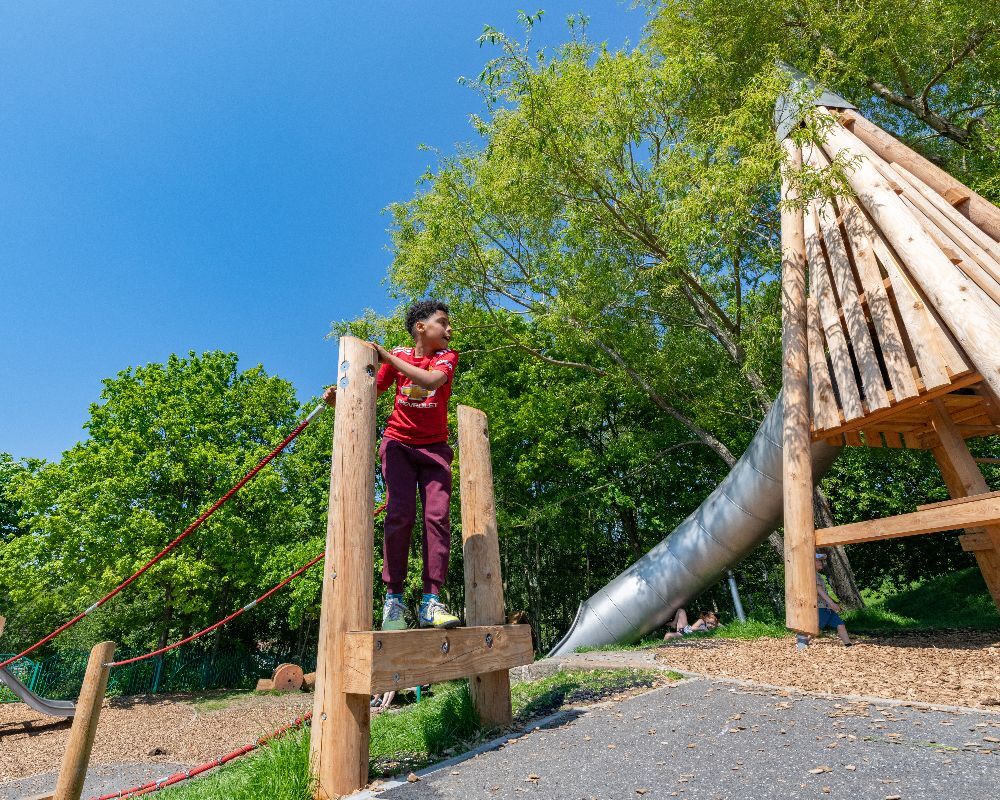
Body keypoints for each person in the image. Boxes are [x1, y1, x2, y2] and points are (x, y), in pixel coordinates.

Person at [324, 299, 460, 631]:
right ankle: (394, 600)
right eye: (443, 323)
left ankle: (431, 600)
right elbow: (372, 389)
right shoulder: (399, 355)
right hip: (398, 444)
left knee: (437, 518)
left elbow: (430, 382)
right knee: (399, 514)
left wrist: (388, 357)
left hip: (435, 449)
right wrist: (340, 398)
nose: (449, 330)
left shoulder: (445, 357)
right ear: (421, 327)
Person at [813, 552, 852, 646]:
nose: (820, 562)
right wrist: (832, 603)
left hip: (826, 607)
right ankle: (801, 645)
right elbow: (819, 590)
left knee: (840, 624)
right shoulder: (812, 575)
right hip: (820, 607)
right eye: (817, 560)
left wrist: (832, 602)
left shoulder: (818, 575)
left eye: (821, 560)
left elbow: (824, 592)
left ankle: (849, 645)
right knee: (814, 629)